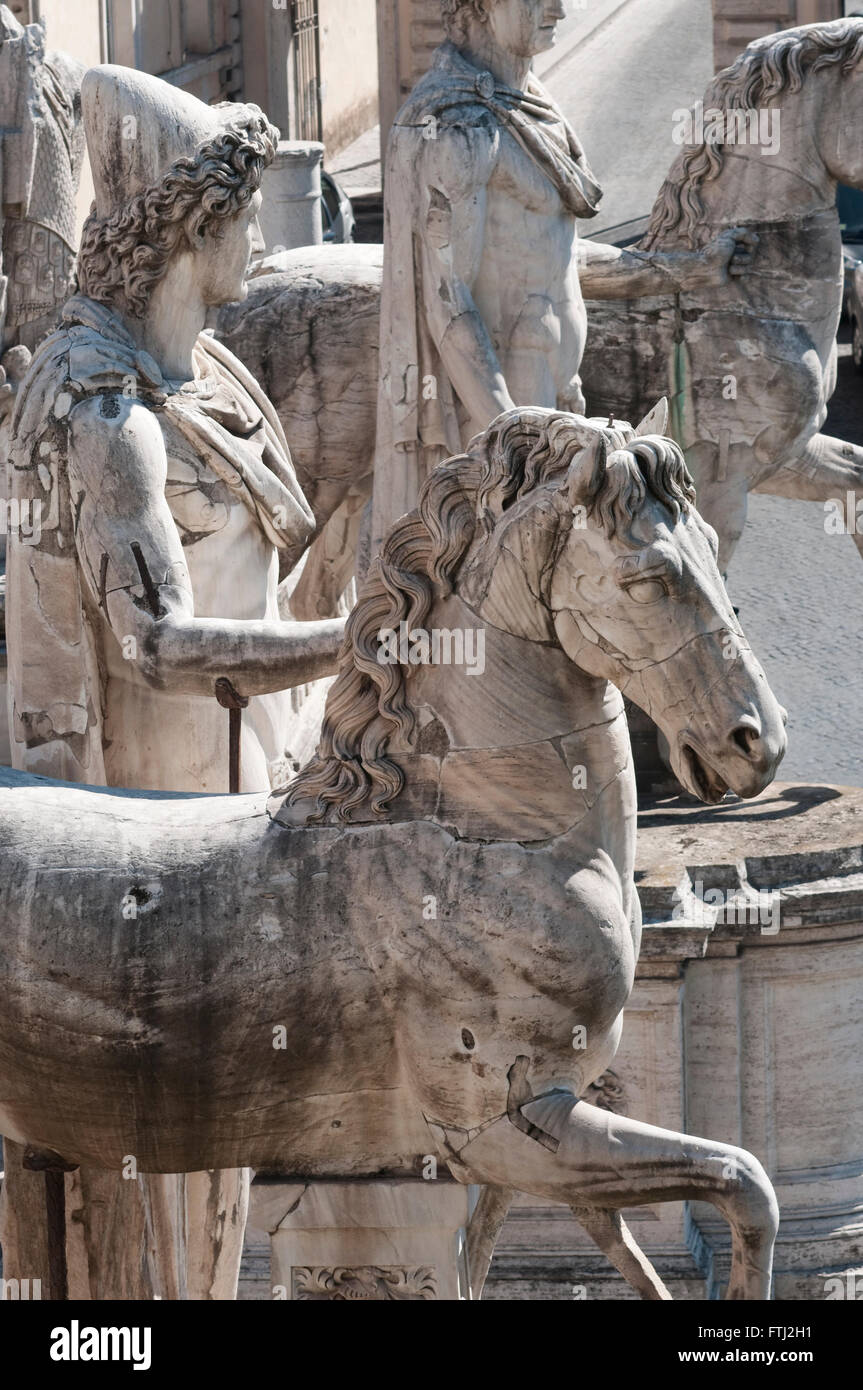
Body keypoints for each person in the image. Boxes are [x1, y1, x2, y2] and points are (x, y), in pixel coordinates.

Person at [1, 65, 344, 1300]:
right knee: (155, 1222)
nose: (261, 237)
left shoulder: (210, 378)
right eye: (245, 213)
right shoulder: (108, 414)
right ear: (194, 228)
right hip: (143, 866)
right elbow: (161, 644)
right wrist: (357, 642)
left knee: (217, 1202)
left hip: (243, 823)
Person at [372, 0, 756, 550]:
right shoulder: (458, 128)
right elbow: (447, 300)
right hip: (509, 412)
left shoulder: (532, 105)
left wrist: (685, 271)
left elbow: (559, 253)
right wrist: (514, 439)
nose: (558, 9)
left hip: (559, 399)